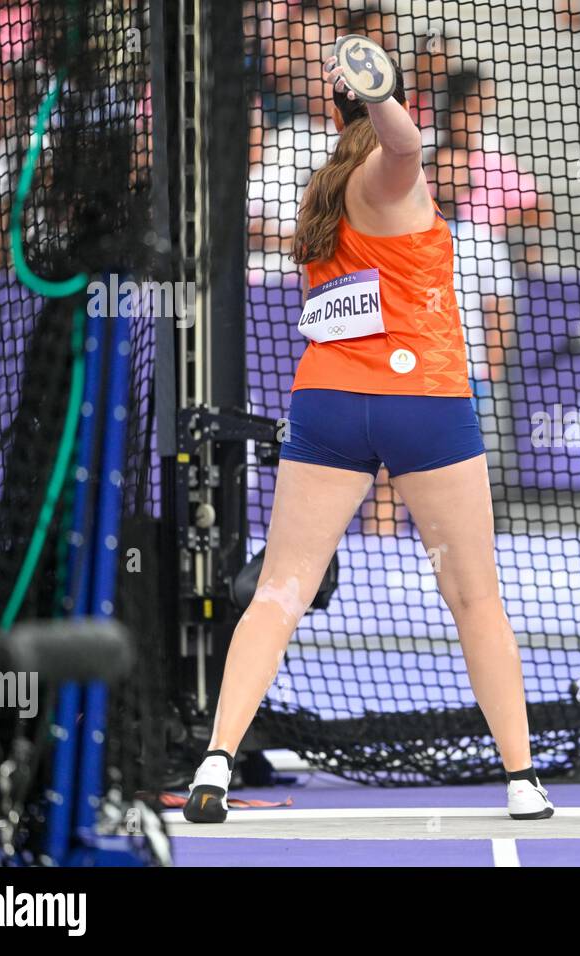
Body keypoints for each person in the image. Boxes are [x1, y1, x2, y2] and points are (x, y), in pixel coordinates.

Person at [185, 40, 553, 823]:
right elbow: (408, 142)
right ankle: (521, 777)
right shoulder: (390, 177)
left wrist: (372, 93)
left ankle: (214, 761)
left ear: (333, 111)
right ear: (375, 107)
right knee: (474, 596)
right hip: (420, 400)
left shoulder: (322, 190)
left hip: (327, 402)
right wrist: (383, 90)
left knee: (280, 592)